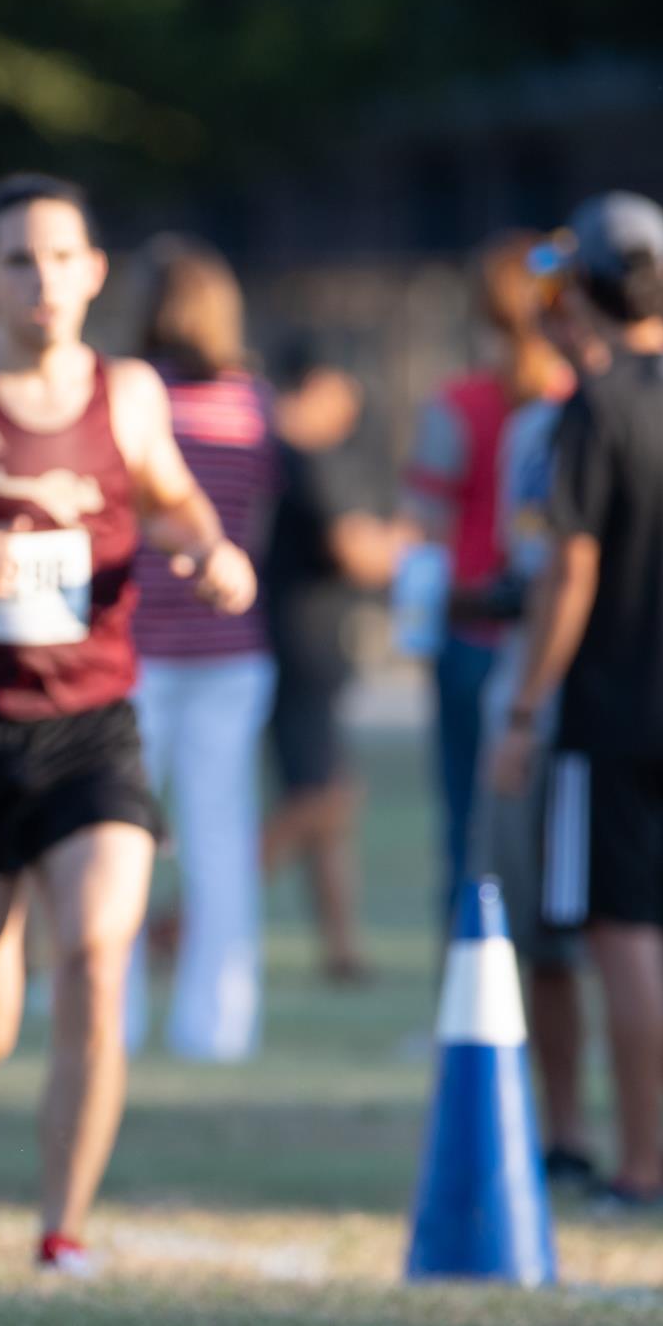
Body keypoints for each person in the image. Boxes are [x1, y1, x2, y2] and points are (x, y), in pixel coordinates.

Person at [0, 173, 257, 1274]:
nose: (42, 281)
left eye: (62, 258)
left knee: (94, 948)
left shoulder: (129, 394)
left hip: (92, 725)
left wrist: (208, 546)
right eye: (18, 261)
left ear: (92, 275)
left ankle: (62, 1232)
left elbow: (173, 498)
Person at [489, 194, 663, 1206]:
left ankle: (641, 1164)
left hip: (616, 718)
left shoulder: (595, 407)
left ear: (590, 290)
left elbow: (571, 573)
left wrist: (523, 710)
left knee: (625, 941)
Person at [124, 237, 280, 1061]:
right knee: (222, 842)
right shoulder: (253, 405)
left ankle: (111, 1014)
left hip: (139, 647)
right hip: (231, 647)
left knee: (119, 841)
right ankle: (220, 1026)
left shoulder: (131, 399)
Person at [398, 234, 577, 917]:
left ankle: (469, 1008)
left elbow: (425, 528)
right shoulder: (575, 400)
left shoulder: (457, 405)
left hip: (474, 633)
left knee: (467, 830)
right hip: (549, 638)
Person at [469, 247, 592, 1182]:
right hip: (643, 713)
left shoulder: (555, 433)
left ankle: (599, 1140)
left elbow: (559, 576)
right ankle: (585, 1137)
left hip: (560, 716)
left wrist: (521, 710)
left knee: (572, 940)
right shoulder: (531, 429)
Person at [258, 339, 380, 984]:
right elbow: (357, 551)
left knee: (325, 803)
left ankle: (341, 950)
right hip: (300, 648)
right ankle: (180, 924)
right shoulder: (304, 458)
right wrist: (418, 553)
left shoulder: (271, 456)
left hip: (296, 644)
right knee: (324, 799)